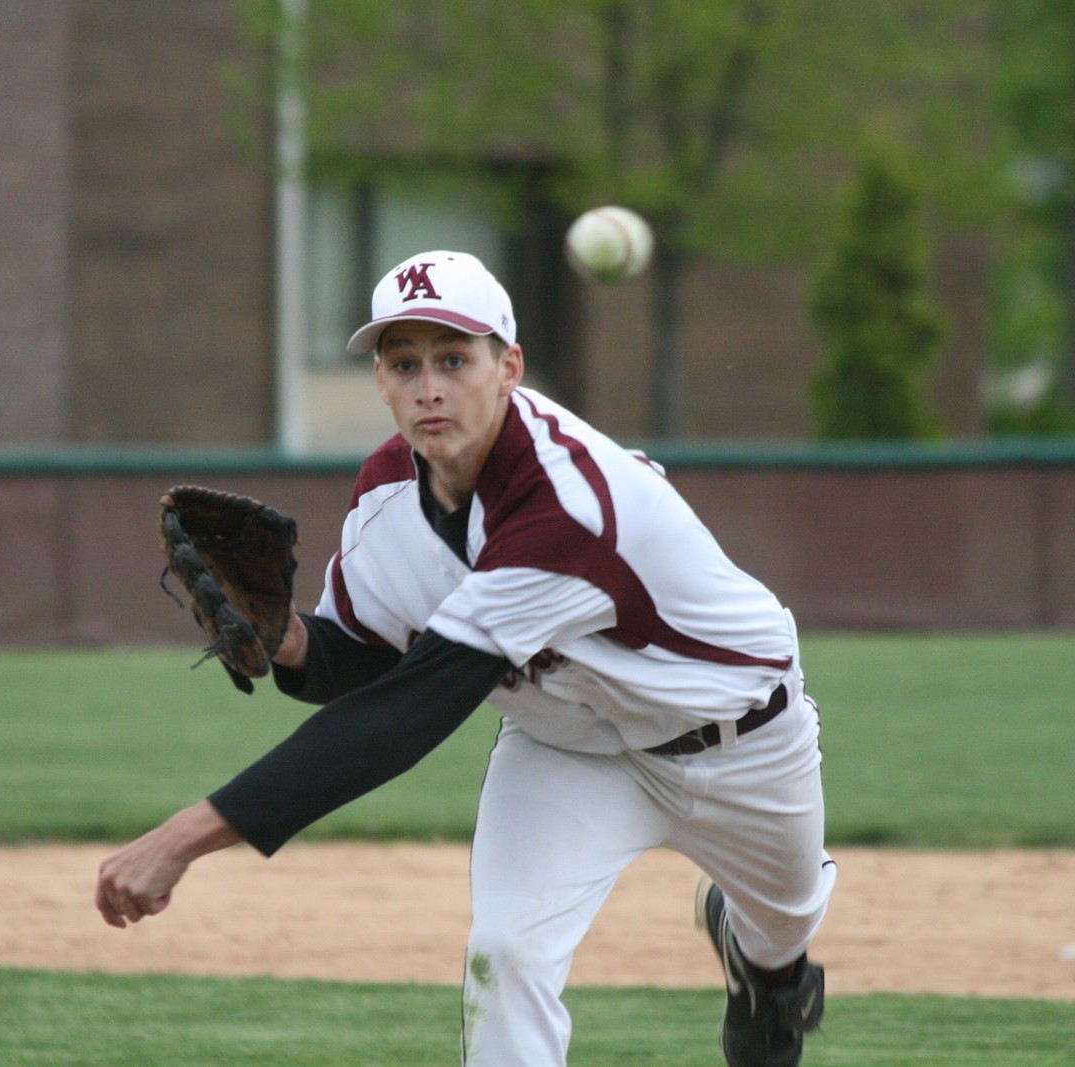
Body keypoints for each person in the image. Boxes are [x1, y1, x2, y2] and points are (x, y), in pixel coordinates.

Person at [95, 250, 836, 1067]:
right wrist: (295, 641)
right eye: (404, 363)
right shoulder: (386, 495)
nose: (429, 387)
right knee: (506, 953)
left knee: (782, 931)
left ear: (508, 366)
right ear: (380, 381)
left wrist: (183, 836)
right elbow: (371, 658)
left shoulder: (571, 504)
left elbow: (408, 712)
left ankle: (764, 966)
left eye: (454, 359)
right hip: (568, 751)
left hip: (745, 744)